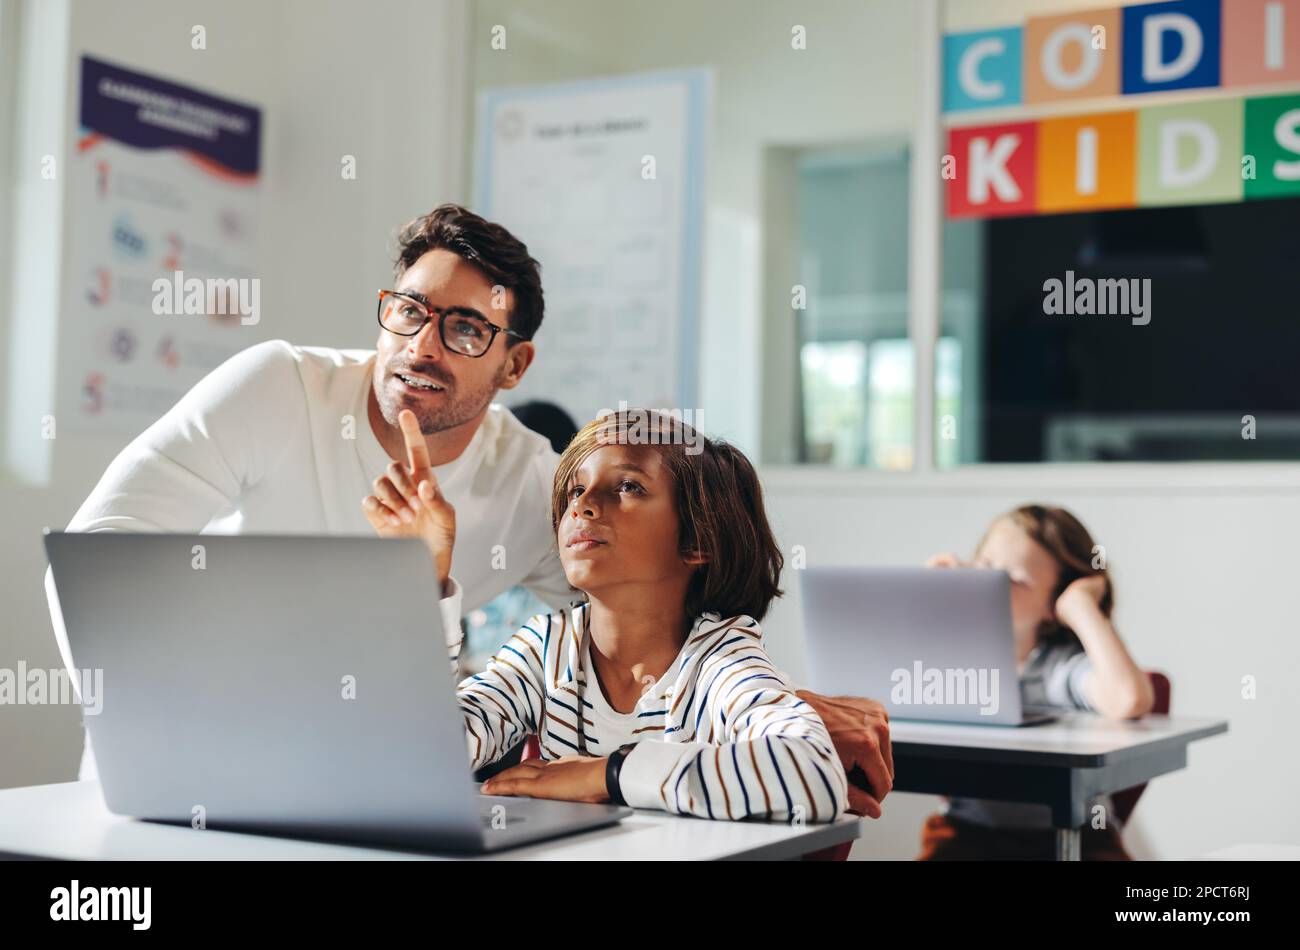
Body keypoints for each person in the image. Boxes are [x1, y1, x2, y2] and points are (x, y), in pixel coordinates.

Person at [48, 204, 892, 818]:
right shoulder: (278, 388)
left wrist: (776, 706)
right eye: (409, 312)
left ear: (514, 364)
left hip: (367, 789)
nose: (421, 346)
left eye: (462, 329)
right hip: (176, 767)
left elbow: (640, 637)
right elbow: (100, 557)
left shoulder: (537, 482)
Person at [367, 409, 847, 819]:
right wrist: (423, 580)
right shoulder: (545, 648)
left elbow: (815, 774)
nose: (584, 506)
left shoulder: (718, 657)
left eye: (628, 486)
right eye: (575, 490)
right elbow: (419, 754)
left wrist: (607, 774)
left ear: (697, 539)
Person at [917, 504, 1155, 860]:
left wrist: (1081, 608)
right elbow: (884, 695)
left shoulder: (1058, 669)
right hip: (969, 834)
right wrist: (928, 600)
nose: (989, 584)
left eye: (1014, 580)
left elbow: (1129, 699)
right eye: (983, 566)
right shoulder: (953, 657)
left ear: (1052, 605)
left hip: (1073, 835)